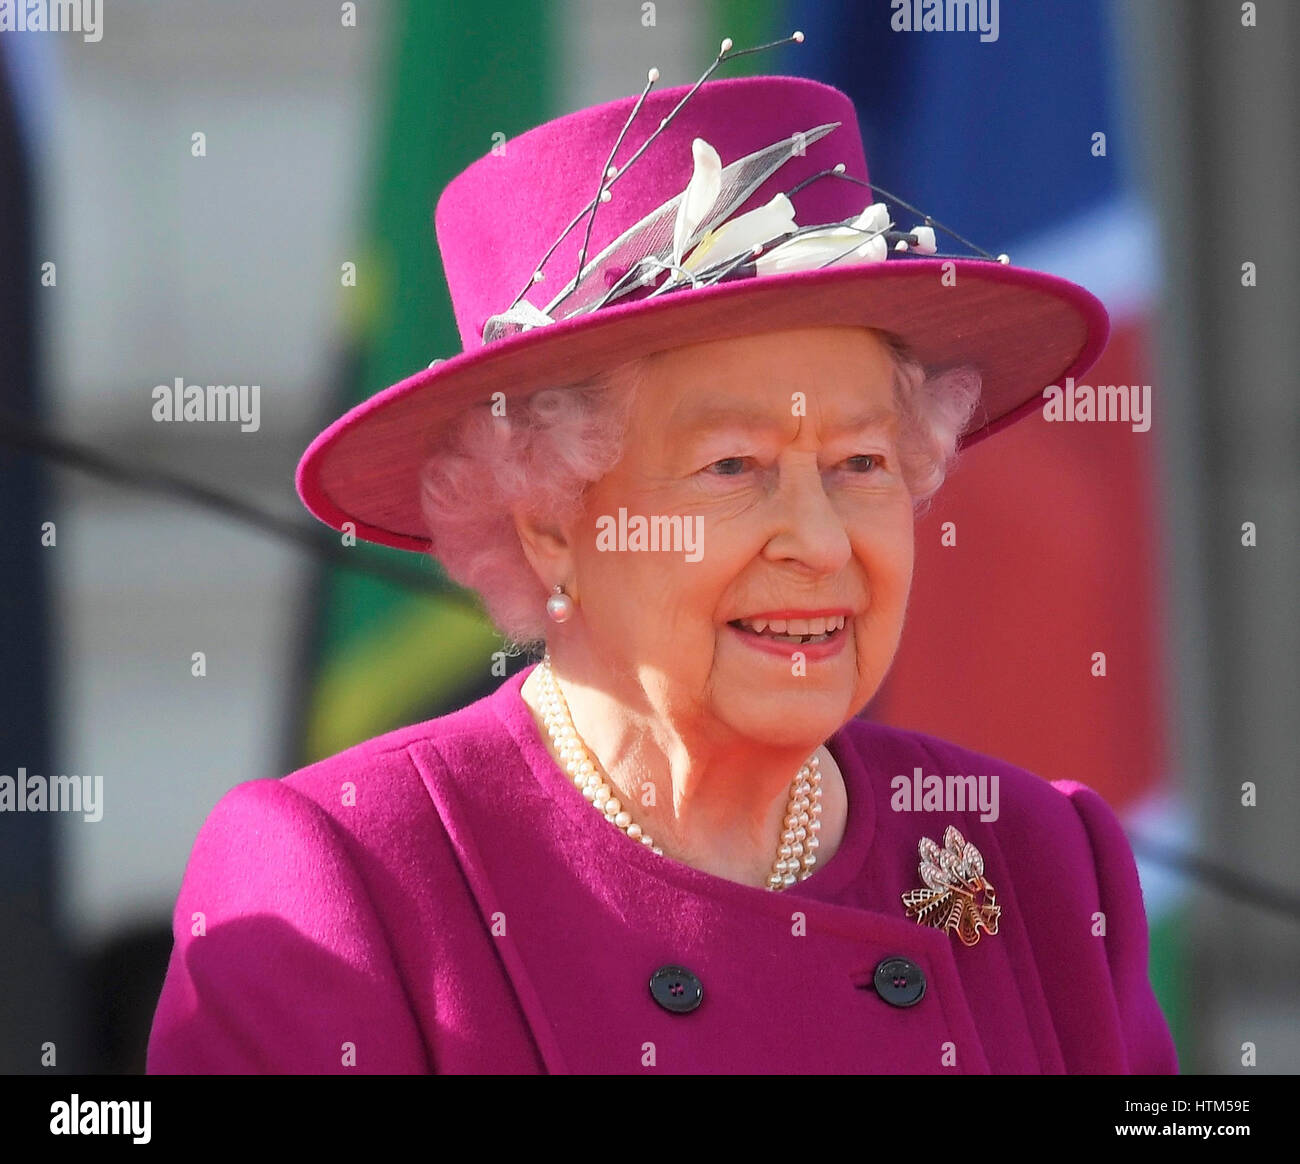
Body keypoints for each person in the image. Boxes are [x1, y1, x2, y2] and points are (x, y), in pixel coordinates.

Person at [147, 57, 1177, 1074]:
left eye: (861, 464)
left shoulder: (1038, 862)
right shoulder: (352, 878)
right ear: (549, 520)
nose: (820, 542)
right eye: (734, 467)